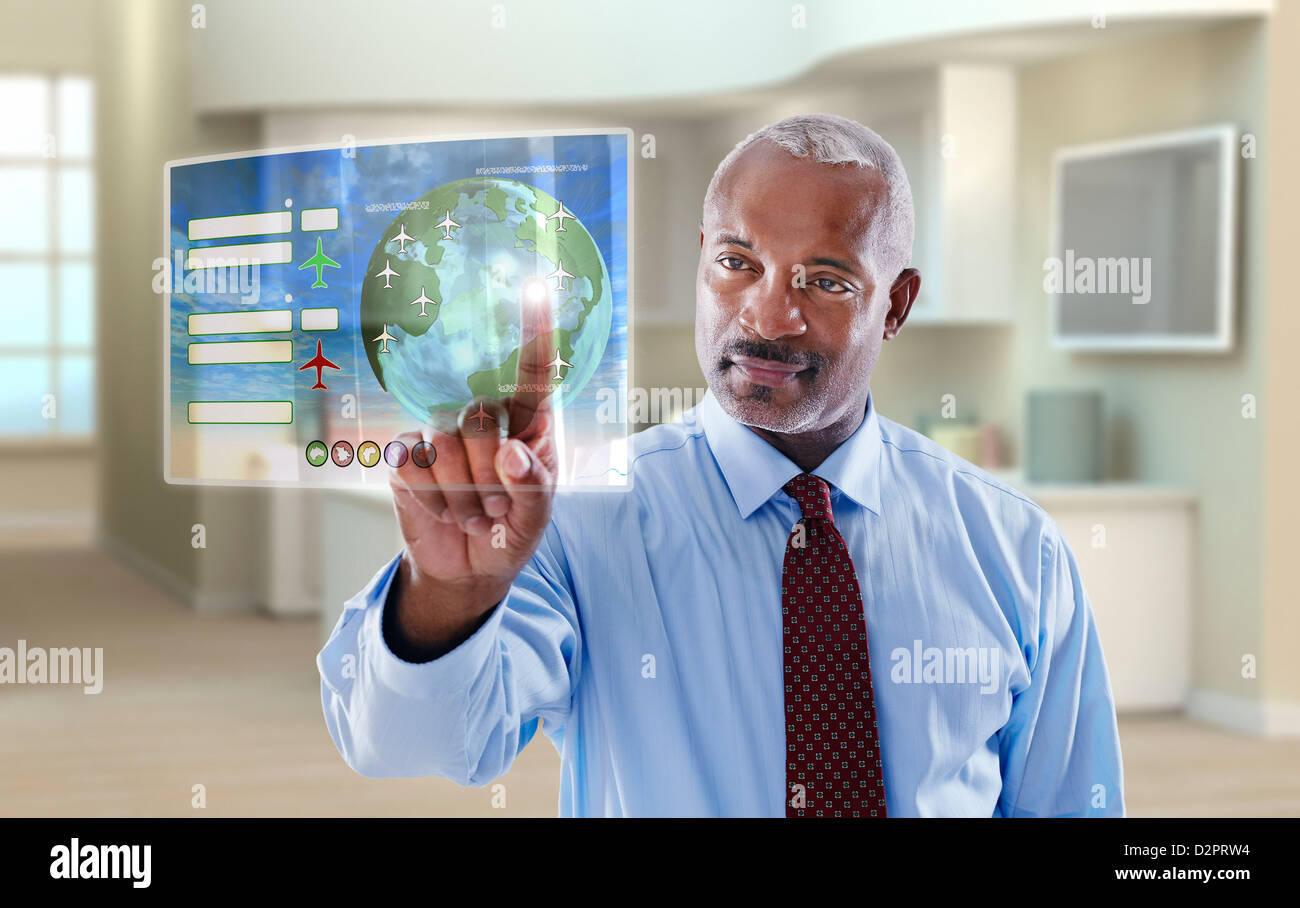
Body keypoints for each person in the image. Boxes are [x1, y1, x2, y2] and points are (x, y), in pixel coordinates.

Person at [317, 113, 1125, 818]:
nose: (770, 315)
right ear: (704, 259)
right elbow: (407, 742)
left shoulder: (1017, 550)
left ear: (898, 305)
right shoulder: (580, 522)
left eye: (827, 279)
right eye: (739, 263)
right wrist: (453, 595)